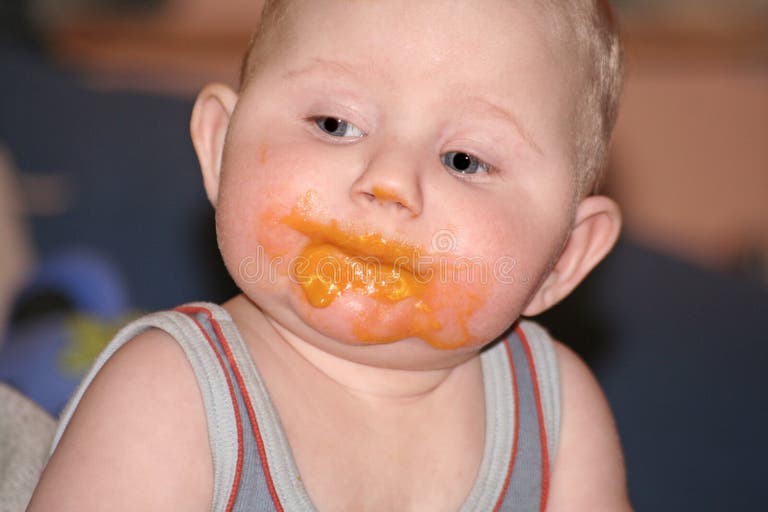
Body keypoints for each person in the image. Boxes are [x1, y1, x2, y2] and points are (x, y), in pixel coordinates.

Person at [28, 0, 630, 510]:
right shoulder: (167, 395)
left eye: (464, 161)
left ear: (563, 258)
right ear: (220, 149)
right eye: (336, 123)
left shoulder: (559, 422)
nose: (390, 180)